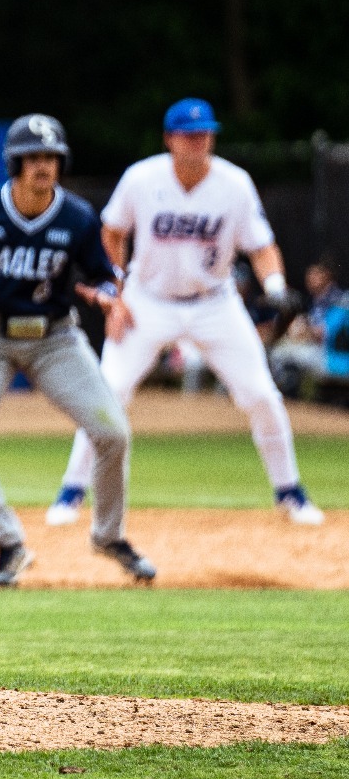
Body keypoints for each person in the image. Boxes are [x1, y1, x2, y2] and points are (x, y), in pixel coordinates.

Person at [45, 99, 326, 527]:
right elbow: (113, 232)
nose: (200, 141)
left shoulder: (234, 183)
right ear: (169, 139)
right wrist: (115, 295)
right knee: (107, 392)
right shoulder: (142, 179)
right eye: (190, 134)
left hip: (214, 302)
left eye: (206, 133)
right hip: (147, 300)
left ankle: (290, 493)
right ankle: (71, 492)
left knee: (261, 395)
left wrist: (273, 286)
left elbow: (262, 245)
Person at [0, 115, 154, 586]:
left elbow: (100, 271)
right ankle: (9, 544)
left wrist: (106, 294)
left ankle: (108, 535)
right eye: (33, 157)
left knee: (113, 433)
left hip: (55, 339)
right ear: (15, 163)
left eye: (50, 157)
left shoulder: (76, 218)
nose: (43, 166)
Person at [270, 261, 343, 397]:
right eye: (309, 274)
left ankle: (283, 396)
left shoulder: (338, 300)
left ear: (327, 276)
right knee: (279, 350)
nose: (310, 278)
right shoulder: (313, 299)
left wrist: (303, 329)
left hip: (328, 353)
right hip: (311, 348)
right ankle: (285, 394)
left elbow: (323, 334)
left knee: (280, 353)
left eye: (315, 275)